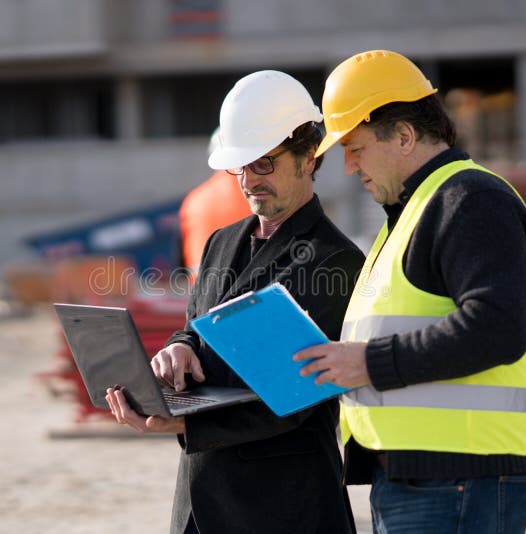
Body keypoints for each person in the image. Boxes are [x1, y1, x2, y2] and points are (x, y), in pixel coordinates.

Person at [106, 70, 365, 534]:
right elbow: (197, 325)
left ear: (308, 157)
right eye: (239, 167)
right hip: (199, 504)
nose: (247, 181)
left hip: (283, 508)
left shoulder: (337, 259)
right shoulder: (221, 242)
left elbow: (294, 398)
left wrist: (183, 427)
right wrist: (180, 346)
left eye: (263, 163)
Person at [294, 50, 526, 533]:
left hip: (459, 478)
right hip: (420, 478)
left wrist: (367, 362)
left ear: (404, 136)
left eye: (356, 148)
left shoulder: (470, 200)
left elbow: (497, 328)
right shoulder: (415, 213)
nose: (348, 167)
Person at [179, 128, 252, 276]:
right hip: (252, 290)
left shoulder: (193, 200)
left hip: (204, 292)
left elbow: (182, 261)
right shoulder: (257, 192)